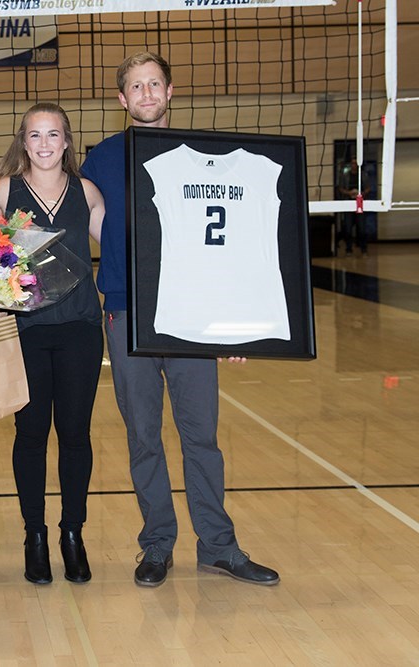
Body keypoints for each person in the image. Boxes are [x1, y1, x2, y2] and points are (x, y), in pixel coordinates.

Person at [80, 51, 279, 587]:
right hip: (126, 312)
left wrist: (231, 320)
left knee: (201, 437)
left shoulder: (207, 155)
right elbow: (81, 216)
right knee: (143, 436)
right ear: (122, 99)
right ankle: (157, 545)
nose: (146, 94)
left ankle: (218, 546)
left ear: (170, 91)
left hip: (191, 318)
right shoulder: (101, 158)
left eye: (154, 84)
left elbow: (232, 240)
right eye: (135, 87)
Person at [0, 103, 105, 585]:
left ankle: (71, 534)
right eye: (35, 135)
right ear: (23, 141)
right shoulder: (3, 191)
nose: (44, 144)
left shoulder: (88, 192)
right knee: (31, 435)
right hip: (27, 332)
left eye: (53, 134)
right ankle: (34, 535)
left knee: (75, 435)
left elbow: (117, 246)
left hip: (79, 328)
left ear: (67, 140)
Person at [337, 157, 372, 256]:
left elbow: (368, 188)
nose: (354, 165)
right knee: (348, 228)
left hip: (360, 203)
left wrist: (361, 193)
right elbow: (340, 188)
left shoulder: (363, 175)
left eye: (355, 163)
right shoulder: (345, 175)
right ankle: (348, 249)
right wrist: (349, 193)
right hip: (349, 203)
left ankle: (363, 248)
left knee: (362, 228)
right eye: (352, 163)